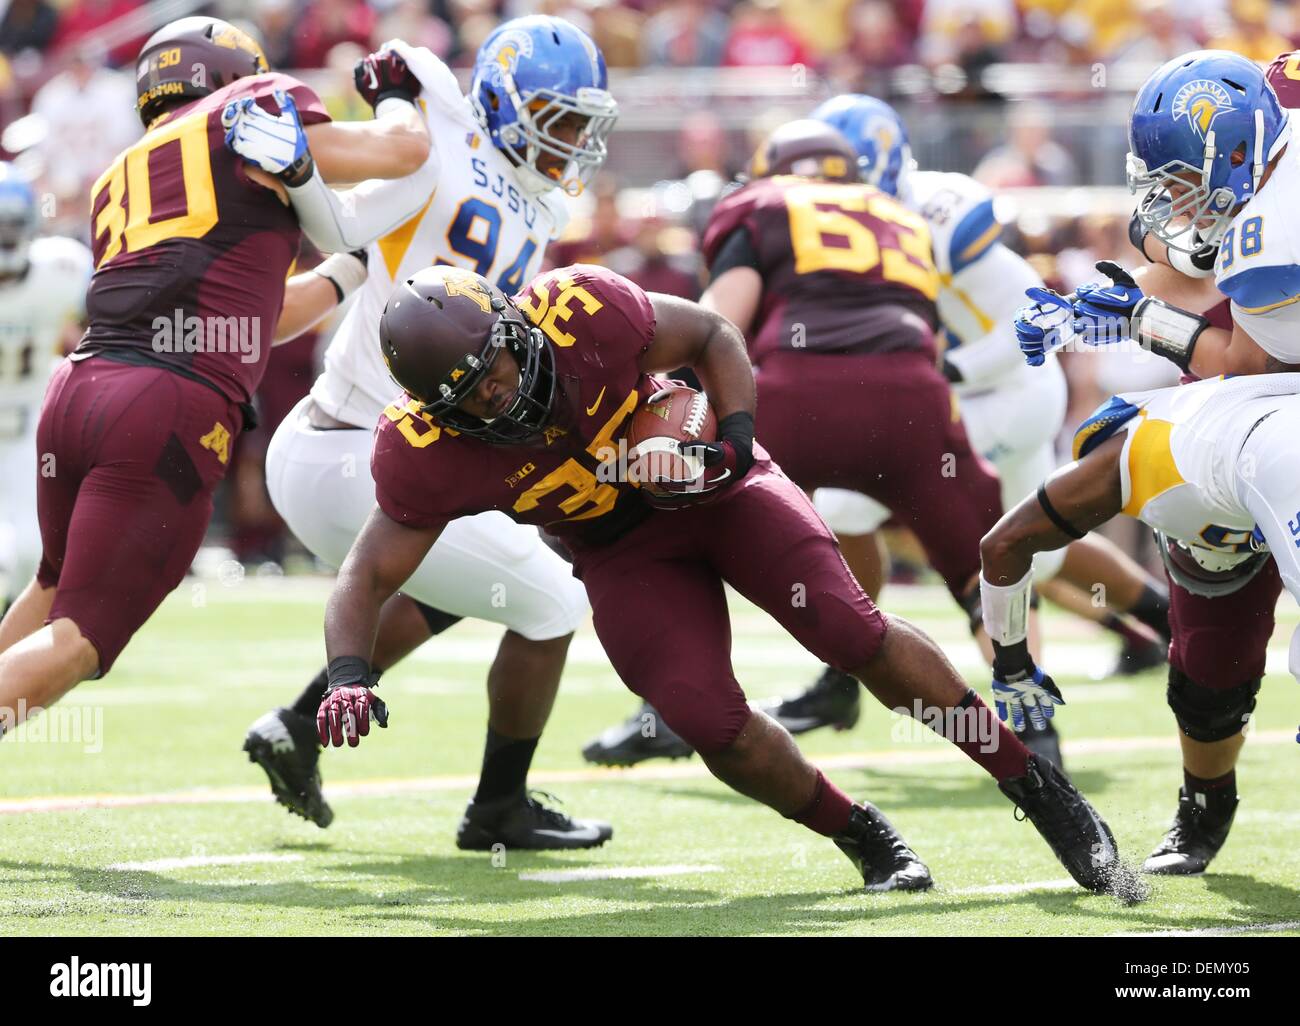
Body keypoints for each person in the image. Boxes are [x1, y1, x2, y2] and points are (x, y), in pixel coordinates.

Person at [312, 260, 1132, 896]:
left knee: (851, 632)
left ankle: (1033, 783)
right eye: (473, 400)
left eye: (495, 367)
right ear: (436, 414)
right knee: (706, 718)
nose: (500, 396)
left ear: (514, 325)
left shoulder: (581, 311)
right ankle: (862, 834)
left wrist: (733, 446)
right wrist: (348, 674)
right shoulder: (423, 454)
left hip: (718, 489)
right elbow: (367, 572)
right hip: (621, 551)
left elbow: (711, 335)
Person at [242, 18, 620, 850]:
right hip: (355, 451)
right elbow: (341, 224)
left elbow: (361, 260)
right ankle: (498, 809)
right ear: (501, 101)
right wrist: (391, 106)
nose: (573, 141)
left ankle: (297, 727)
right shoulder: (441, 144)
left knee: (467, 589)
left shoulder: (531, 194)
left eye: (581, 123)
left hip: (346, 441)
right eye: (559, 118)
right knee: (553, 607)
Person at [0, 16, 431, 740]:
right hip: (162, 404)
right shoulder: (251, 112)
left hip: (78, 393)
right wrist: (397, 99)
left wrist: (352, 269)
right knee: (81, 637)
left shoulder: (122, 174)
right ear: (235, 76)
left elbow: (256, 310)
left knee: (48, 591)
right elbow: (402, 151)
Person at [767, 95, 1173, 756]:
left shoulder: (940, 216)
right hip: (969, 396)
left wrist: (940, 371)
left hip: (1007, 390)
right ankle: (1162, 616)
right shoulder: (841, 223)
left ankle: (857, 678)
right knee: (1041, 547)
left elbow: (1033, 322)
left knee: (864, 510)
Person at [1013, 49, 1300, 872]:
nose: (1168, 200)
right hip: (1254, 409)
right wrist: (1104, 299)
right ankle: (1205, 802)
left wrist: (1143, 320)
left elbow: (1254, 365)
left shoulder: (1274, 224)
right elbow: (1187, 248)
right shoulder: (1262, 107)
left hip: (1270, 390)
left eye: (1180, 180)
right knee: (1211, 651)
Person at [979, 371, 1300, 873]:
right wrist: (1013, 666)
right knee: (1209, 676)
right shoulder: (1125, 463)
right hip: (1242, 461)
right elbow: (1003, 545)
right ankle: (1205, 810)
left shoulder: (1137, 464)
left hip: (1280, 459)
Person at [0, 163, 92, 604]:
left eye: (9, 227)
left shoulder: (63, 269)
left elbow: (104, 328)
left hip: (29, 430)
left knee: (30, 555)